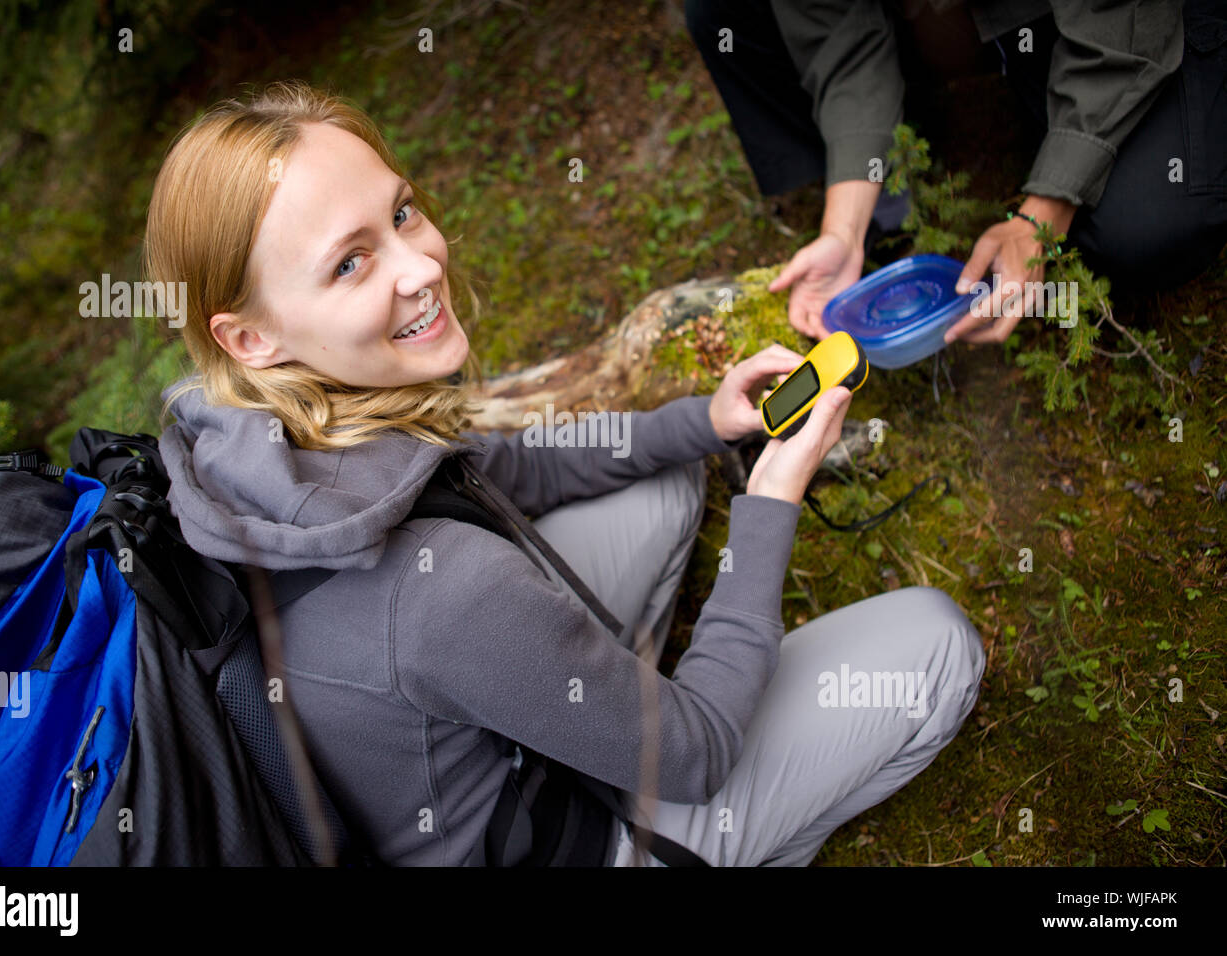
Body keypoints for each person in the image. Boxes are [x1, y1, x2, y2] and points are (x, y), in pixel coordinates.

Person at [150, 80, 985, 866]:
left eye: (402, 213)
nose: (421, 265)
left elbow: (514, 467)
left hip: (462, 709)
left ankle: (593, 702)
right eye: (349, 263)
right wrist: (769, 503)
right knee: (938, 642)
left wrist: (705, 421)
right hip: (576, 839)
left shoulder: (259, 443)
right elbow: (693, 756)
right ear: (250, 336)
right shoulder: (443, 593)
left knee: (665, 477)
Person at [685, 0, 1227, 345]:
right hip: (957, 19)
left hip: (1109, 17)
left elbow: (1121, 27)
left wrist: (1041, 215)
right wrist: (843, 230)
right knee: (727, 11)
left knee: (1150, 226)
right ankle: (886, 200)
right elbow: (839, 38)